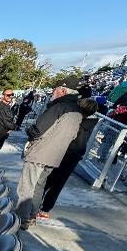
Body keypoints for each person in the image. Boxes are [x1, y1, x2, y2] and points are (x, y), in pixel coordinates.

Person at [15, 86, 84, 228]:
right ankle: (32, 216)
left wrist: (29, 130)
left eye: (55, 89)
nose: (53, 92)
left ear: (63, 91)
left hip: (39, 153)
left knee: (26, 187)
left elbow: (38, 129)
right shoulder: (78, 112)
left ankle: (21, 219)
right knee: (39, 186)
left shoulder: (58, 107)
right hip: (55, 157)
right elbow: (74, 136)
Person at [38, 98, 99, 218]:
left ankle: (35, 204)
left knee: (46, 180)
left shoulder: (75, 121)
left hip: (63, 153)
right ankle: (45, 209)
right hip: (74, 157)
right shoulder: (90, 125)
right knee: (58, 184)